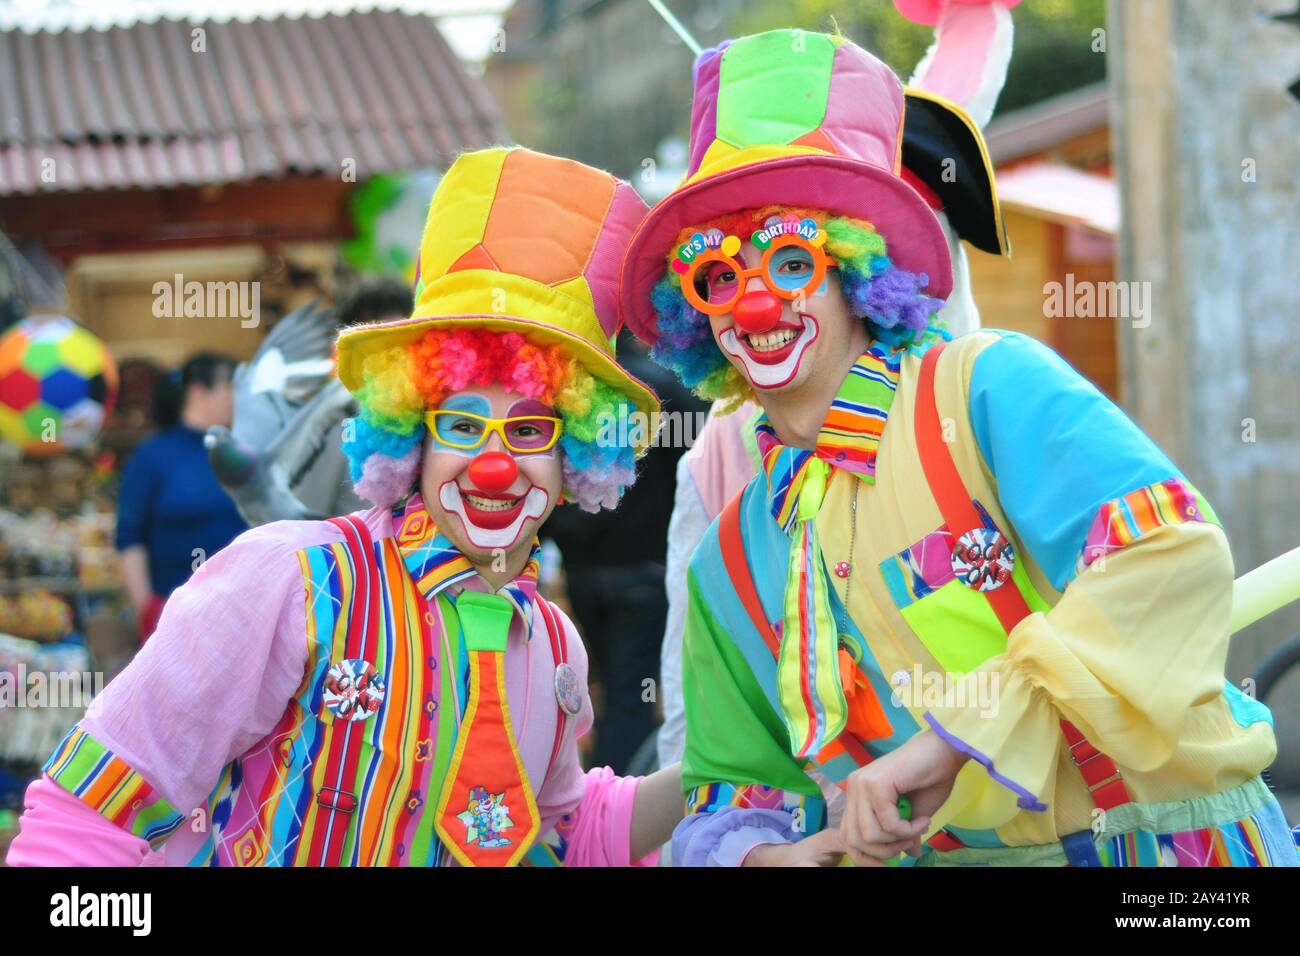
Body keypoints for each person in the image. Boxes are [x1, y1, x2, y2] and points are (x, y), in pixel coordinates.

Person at [618, 27, 1296, 867]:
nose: (753, 303)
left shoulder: (986, 390)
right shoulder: (729, 562)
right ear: (696, 318)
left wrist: (955, 738)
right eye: (717, 276)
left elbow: (1166, 559)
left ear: (856, 271)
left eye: (790, 261)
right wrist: (766, 856)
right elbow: (726, 790)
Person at [7, 147, 683, 867]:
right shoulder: (291, 580)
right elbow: (91, 814)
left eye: (528, 430)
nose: (495, 464)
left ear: (576, 453)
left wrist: (724, 762)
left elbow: (559, 832)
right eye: (461, 425)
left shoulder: (552, 647)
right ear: (410, 431)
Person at [544, 330, 707, 774]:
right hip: (644, 572)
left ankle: (596, 798)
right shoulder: (667, 390)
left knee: (609, 695)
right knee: (632, 700)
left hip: (583, 571)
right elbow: (703, 475)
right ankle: (611, 809)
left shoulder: (569, 387)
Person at [117, 352, 247, 642]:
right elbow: (129, 537)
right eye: (230, 387)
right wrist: (147, 608)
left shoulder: (241, 451)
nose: (237, 398)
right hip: (172, 616)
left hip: (241, 613)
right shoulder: (153, 456)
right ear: (200, 390)